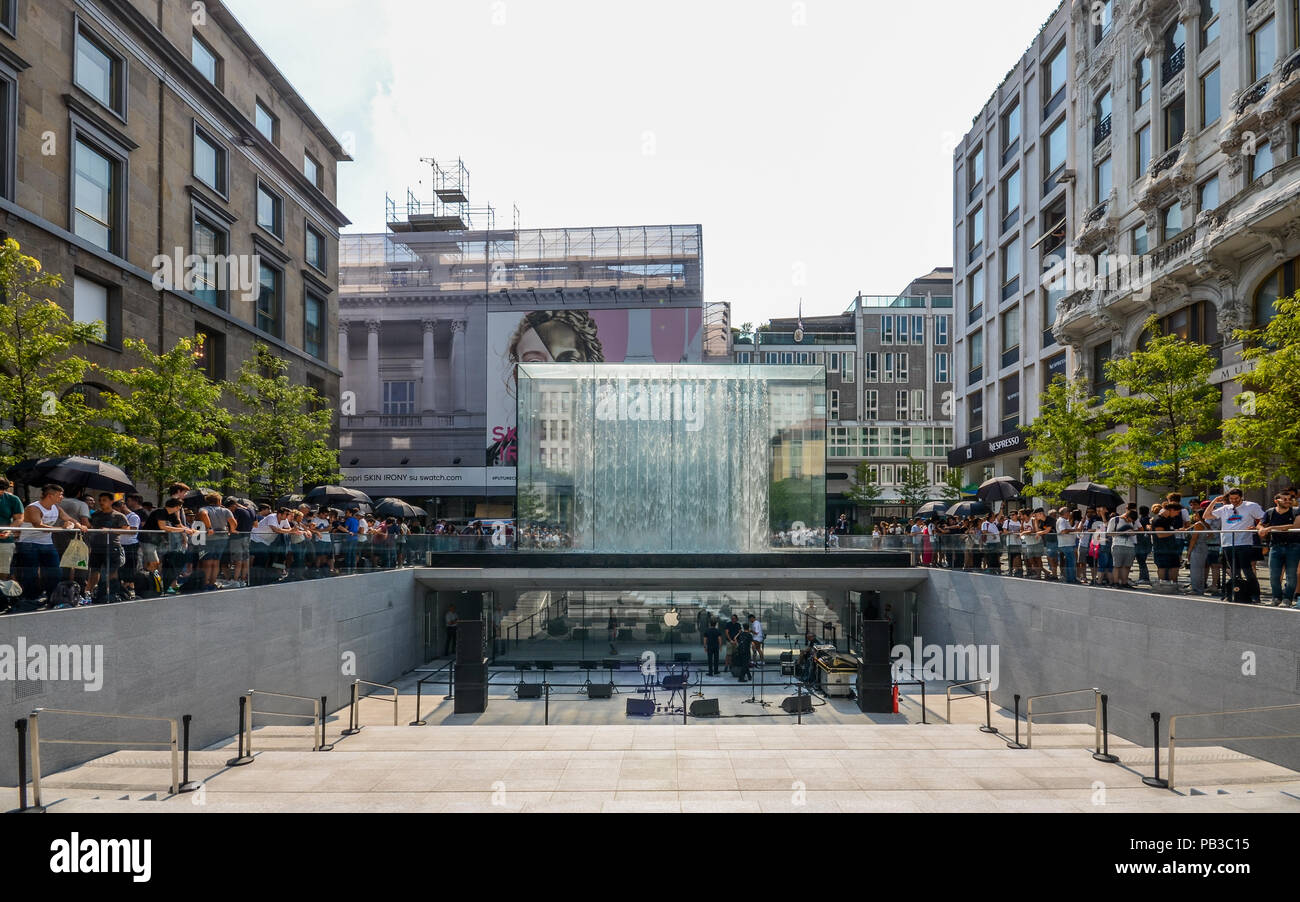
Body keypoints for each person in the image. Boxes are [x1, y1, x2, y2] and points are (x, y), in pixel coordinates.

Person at [14, 485, 86, 605]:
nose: (62, 497)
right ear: (50, 496)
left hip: (47, 543)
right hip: (28, 544)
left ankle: (51, 596)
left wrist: (79, 525)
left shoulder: (56, 507)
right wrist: (62, 528)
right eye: (60, 495)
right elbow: (39, 525)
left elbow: (68, 518)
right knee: (31, 573)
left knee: (55, 572)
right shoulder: (33, 508)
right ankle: (30, 599)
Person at [1209, 489, 1264, 604]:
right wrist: (1214, 501)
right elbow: (1207, 515)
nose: (1234, 501)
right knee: (1234, 571)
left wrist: (1256, 527)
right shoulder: (1225, 508)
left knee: (1247, 570)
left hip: (1244, 543)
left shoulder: (1251, 506)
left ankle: (1255, 595)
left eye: (1236, 498)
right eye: (1231, 499)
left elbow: (1263, 518)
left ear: (1241, 497)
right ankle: (1236, 594)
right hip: (1227, 543)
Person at [141, 498, 194, 594]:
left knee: (158, 563)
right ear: (177, 507)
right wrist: (184, 530)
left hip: (157, 541)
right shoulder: (160, 512)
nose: (180, 509)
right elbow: (163, 527)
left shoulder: (172, 514)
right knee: (154, 563)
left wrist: (190, 530)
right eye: (180, 507)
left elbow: (179, 526)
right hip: (147, 539)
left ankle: (157, 585)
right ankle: (152, 585)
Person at [1259, 491, 1300, 608]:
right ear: (1276, 501)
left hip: (1293, 546)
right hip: (1275, 546)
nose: (1288, 501)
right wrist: (1261, 529)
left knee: (1291, 575)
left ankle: (1287, 599)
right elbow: (1260, 524)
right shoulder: (1270, 512)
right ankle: (1276, 598)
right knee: (1274, 575)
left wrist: (1270, 528)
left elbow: (1295, 526)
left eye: (1289, 499)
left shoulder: (1296, 511)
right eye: (1284, 499)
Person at [197, 492, 234, 591]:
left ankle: (205, 583)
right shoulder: (225, 510)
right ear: (219, 501)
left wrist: (209, 527)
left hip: (209, 538)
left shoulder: (204, 509)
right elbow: (233, 522)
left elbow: (203, 514)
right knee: (216, 562)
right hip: (223, 538)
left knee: (207, 562)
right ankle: (212, 583)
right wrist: (232, 530)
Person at [0, 477, 26, 590]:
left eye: (3, 489)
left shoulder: (13, 499)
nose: (1, 492)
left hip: (4, 540)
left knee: (3, 571)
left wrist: (9, 530)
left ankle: (2, 594)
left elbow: (19, 518)